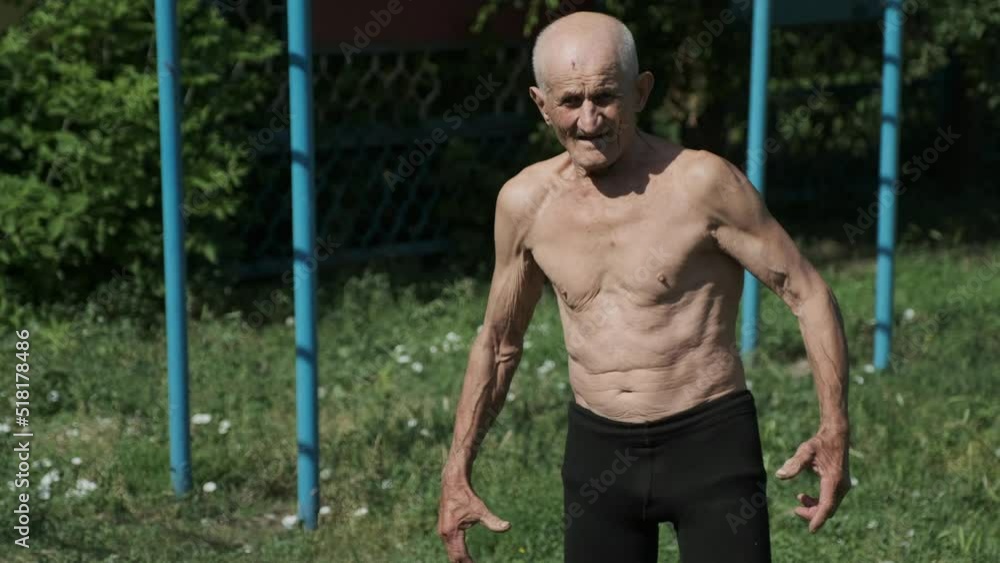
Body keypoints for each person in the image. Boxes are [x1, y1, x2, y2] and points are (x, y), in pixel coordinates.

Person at [437, 11, 851, 563]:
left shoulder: (703, 183)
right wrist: (457, 468)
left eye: (605, 97)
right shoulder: (525, 204)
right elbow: (498, 342)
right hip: (598, 454)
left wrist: (835, 428)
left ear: (641, 91)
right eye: (570, 102)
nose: (589, 121)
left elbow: (808, 293)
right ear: (541, 104)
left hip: (711, 446)